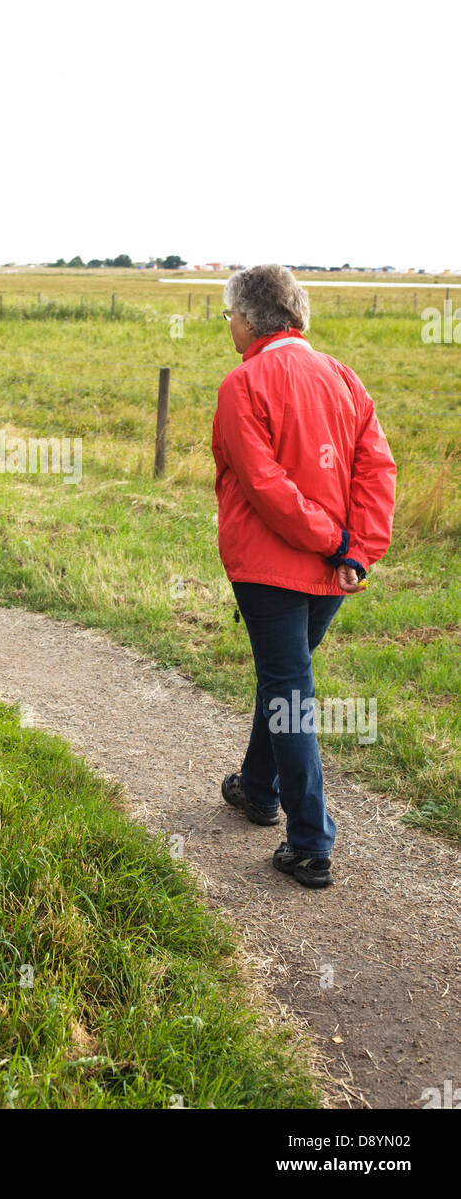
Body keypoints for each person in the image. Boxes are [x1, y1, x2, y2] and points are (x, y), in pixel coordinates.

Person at [212, 264, 396, 889]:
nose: (229, 326)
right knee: (284, 678)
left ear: (252, 319)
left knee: (289, 690)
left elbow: (265, 486)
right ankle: (257, 789)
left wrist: (340, 543)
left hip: (271, 568)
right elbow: (377, 470)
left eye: (231, 315)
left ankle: (311, 843)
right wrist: (357, 551)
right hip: (332, 570)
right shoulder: (343, 376)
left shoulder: (242, 384)